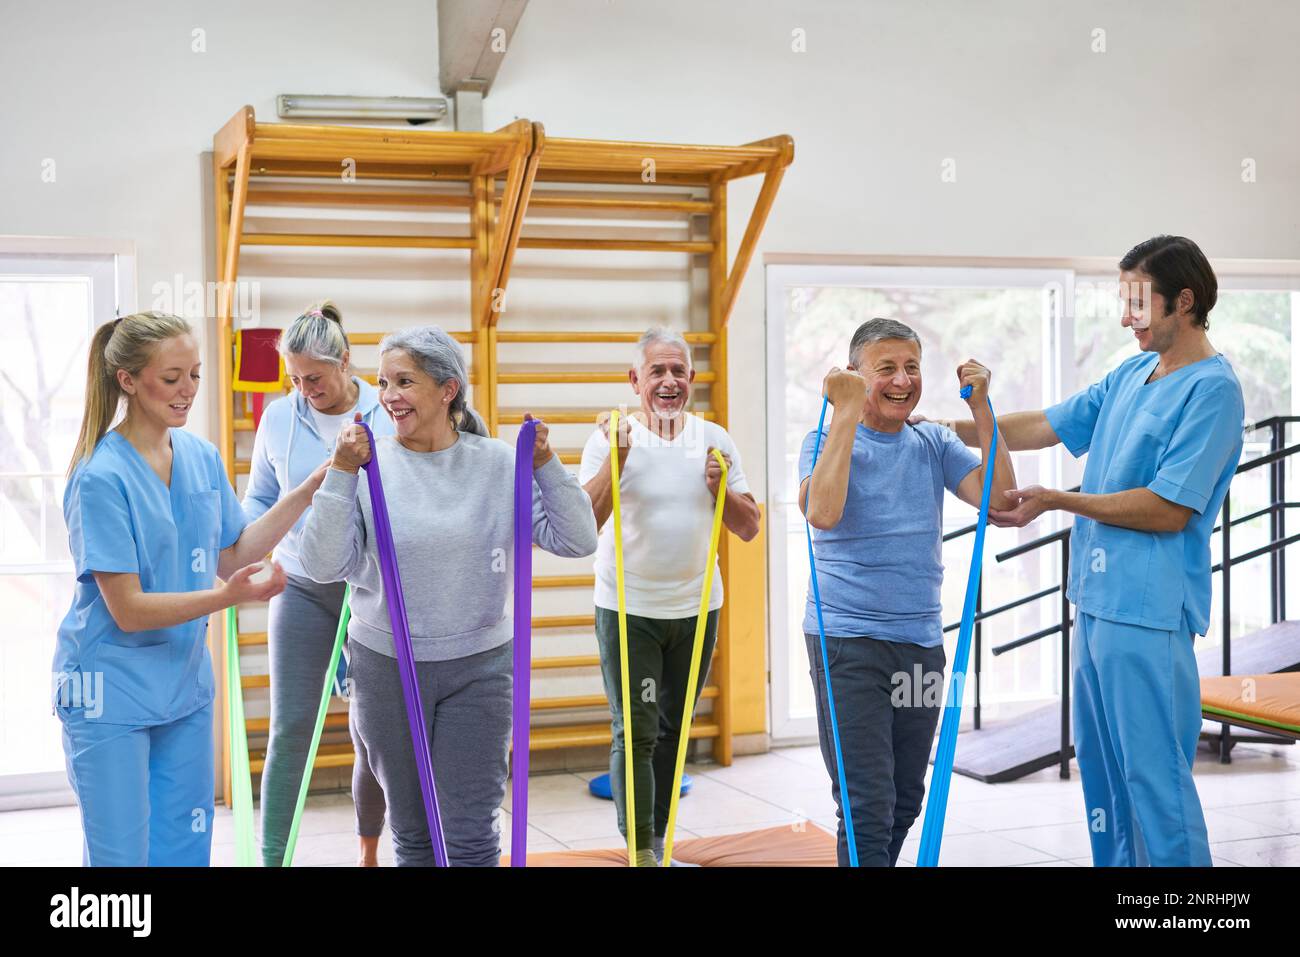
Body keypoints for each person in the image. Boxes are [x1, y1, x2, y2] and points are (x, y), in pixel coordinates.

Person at [932, 236, 1244, 866]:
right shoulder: (1132, 373)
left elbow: (1167, 508)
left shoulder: (1213, 391)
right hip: (1096, 603)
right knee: (1103, 781)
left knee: (1156, 783)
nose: (1126, 318)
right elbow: (1042, 425)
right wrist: (927, 426)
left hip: (1149, 612)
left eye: (1138, 302)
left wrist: (1057, 500)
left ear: (1184, 301)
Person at [299, 325, 597, 866]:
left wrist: (546, 463)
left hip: (480, 668)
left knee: (470, 836)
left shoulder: (497, 463)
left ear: (447, 389)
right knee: (413, 835)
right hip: (386, 665)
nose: (388, 396)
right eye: (384, 382)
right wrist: (340, 473)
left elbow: (577, 539)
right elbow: (322, 564)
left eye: (404, 382)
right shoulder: (369, 465)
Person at [55, 311, 325, 866]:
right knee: (122, 861)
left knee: (183, 848)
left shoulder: (200, 457)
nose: (188, 392)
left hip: (183, 689)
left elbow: (233, 554)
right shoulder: (99, 475)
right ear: (128, 380)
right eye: (172, 377)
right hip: (108, 693)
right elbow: (127, 610)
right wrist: (229, 598)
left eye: (196, 375)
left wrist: (311, 488)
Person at [799, 318, 1015, 866]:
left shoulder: (933, 441)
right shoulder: (823, 440)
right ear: (854, 377)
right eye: (886, 369)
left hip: (919, 644)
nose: (902, 380)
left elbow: (1004, 502)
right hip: (848, 645)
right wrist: (847, 410)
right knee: (867, 802)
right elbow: (823, 512)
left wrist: (982, 409)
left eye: (912, 367)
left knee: (903, 801)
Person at [579, 327, 761, 867]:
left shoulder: (714, 438)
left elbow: (749, 527)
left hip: (697, 608)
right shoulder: (610, 438)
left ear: (691, 379)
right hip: (629, 609)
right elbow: (584, 524)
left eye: (677, 370)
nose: (668, 381)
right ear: (635, 380)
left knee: (672, 732)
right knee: (635, 730)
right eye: (656, 371)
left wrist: (720, 488)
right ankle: (639, 853)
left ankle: (658, 845)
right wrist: (615, 459)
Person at [242, 301, 391, 867]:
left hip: (370, 590)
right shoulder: (280, 418)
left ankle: (368, 850)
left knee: (372, 731)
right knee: (292, 729)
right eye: (296, 379)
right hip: (302, 585)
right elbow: (259, 495)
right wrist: (249, 544)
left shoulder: (385, 410)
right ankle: (271, 859)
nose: (306, 389)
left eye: (316, 377)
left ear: (346, 361)